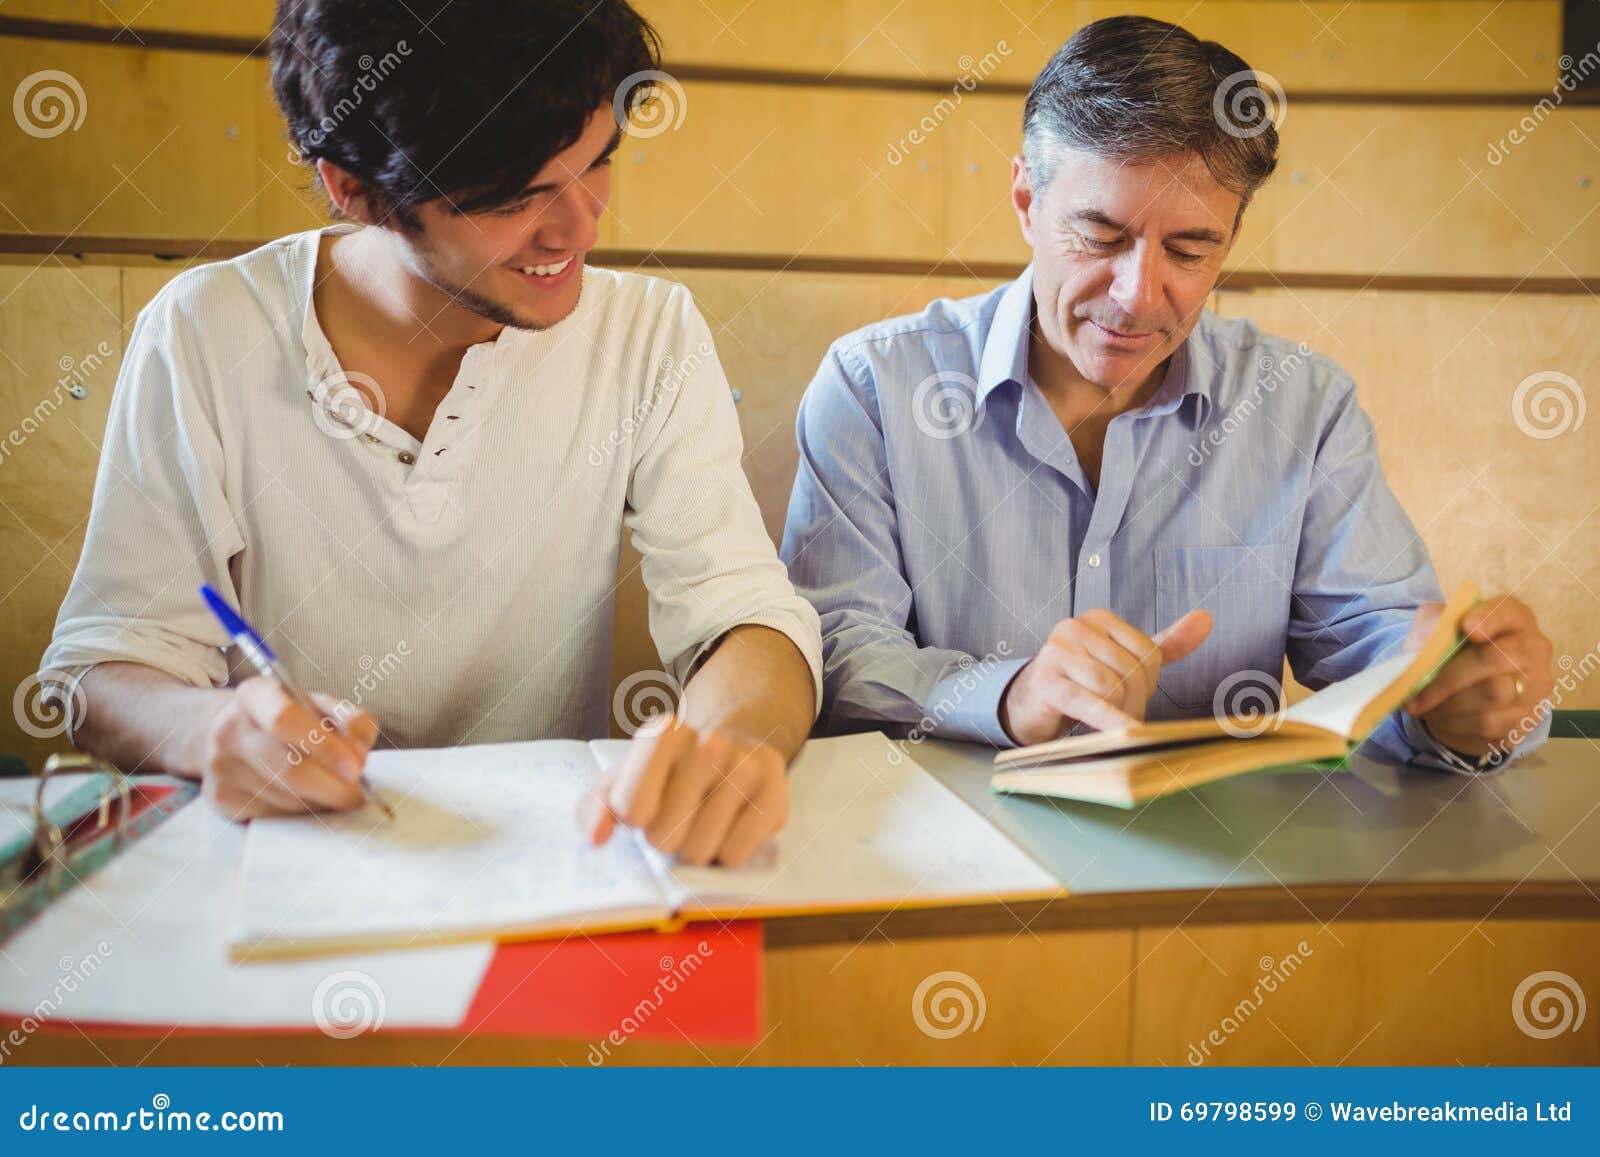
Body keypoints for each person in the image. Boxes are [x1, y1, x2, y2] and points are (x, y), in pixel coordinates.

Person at [39, 0, 820, 868]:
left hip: (555, 870)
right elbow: (102, 667)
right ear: (355, 188)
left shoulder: (649, 334)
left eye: (599, 163)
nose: (578, 226)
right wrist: (210, 726)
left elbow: (747, 617)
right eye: (516, 197)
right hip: (283, 876)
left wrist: (726, 744)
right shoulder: (205, 330)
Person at [780, 15, 1552, 771]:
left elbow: (1381, 647)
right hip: (951, 872)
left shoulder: (1304, 410)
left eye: (1190, 248)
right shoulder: (875, 388)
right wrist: (1010, 695)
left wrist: (1455, 698)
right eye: (1101, 235)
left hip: (1229, 871)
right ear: (1025, 201)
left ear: (1233, 237)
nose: (1137, 295)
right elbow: (836, 651)